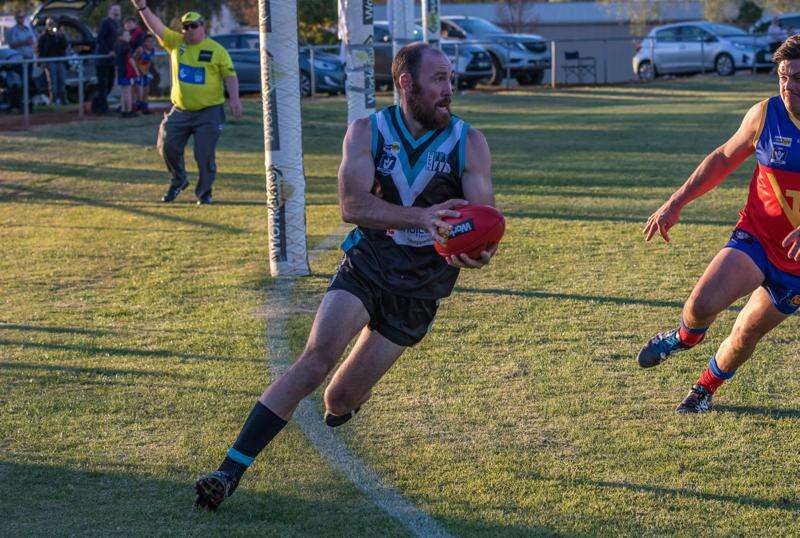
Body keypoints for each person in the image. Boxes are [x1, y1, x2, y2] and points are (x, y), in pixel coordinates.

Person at [191, 41, 498, 511]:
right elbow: (351, 206)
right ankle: (229, 471)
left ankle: (348, 403)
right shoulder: (366, 132)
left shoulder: (468, 141)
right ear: (405, 83)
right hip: (369, 264)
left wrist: (479, 251)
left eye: (450, 79)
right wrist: (423, 218)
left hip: (421, 287)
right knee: (315, 358)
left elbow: (483, 217)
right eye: (438, 79)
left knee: (338, 398)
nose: (448, 89)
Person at [637, 35, 800, 413]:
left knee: (746, 333)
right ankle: (681, 338)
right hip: (757, 239)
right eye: (782, 77)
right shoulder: (764, 115)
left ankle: (703, 391)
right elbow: (724, 157)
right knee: (700, 305)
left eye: (797, 78)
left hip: (796, 268)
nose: (788, 86)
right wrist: (675, 203)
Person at [131, 1, 242, 204]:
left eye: (193, 26)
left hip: (209, 111)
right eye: (185, 27)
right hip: (180, 110)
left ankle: (204, 192)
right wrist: (141, 8)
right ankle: (179, 179)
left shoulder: (216, 50)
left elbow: (230, 76)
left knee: (204, 154)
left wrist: (234, 99)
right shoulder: (176, 42)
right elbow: (156, 26)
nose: (189, 30)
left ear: (202, 27)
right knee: (166, 145)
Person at [92, 4, 121, 114]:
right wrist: (108, 51)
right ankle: (102, 108)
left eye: (118, 10)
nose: (116, 12)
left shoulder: (115, 24)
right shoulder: (106, 22)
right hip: (103, 59)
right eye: (114, 9)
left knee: (110, 82)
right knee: (103, 84)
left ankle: (97, 105)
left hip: (111, 60)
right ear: (109, 11)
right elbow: (100, 38)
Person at [7, 10, 37, 103]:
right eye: (19, 17)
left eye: (23, 17)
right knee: (23, 81)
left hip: (30, 59)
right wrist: (24, 42)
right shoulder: (12, 30)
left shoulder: (28, 29)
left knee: (29, 80)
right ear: (16, 18)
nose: (21, 19)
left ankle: (28, 100)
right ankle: (22, 100)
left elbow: (34, 42)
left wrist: (32, 45)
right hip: (19, 60)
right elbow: (12, 45)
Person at [37, 18, 68, 105]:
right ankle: (53, 100)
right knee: (52, 81)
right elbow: (40, 50)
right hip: (50, 61)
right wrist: (41, 62)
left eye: (53, 24)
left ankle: (63, 100)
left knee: (62, 80)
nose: (52, 26)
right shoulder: (43, 37)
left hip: (60, 60)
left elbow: (65, 46)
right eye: (49, 24)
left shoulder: (59, 35)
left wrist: (61, 36)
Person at [115, 29, 138, 117]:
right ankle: (129, 110)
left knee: (123, 91)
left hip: (120, 71)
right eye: (127, 35)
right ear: (121, 36)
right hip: (126, 71)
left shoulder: (117, 45)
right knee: (128, 91)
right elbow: (130, 59)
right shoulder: (126, 47)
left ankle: (123, 110)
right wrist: (136, 70)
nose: (129, 36)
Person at [133, 34, 156, 114]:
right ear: (144, 43)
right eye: (149, 41)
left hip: (145, 72)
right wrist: (138, 71)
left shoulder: (153, 50)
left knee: (146, 90)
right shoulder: (140, 50)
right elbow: (133, 60)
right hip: (138, 73)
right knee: (139, 92)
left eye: (152, 41)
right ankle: (136, 108)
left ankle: (145, 108)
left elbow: (148, 62)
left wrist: (147, 72)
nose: (151, 43)